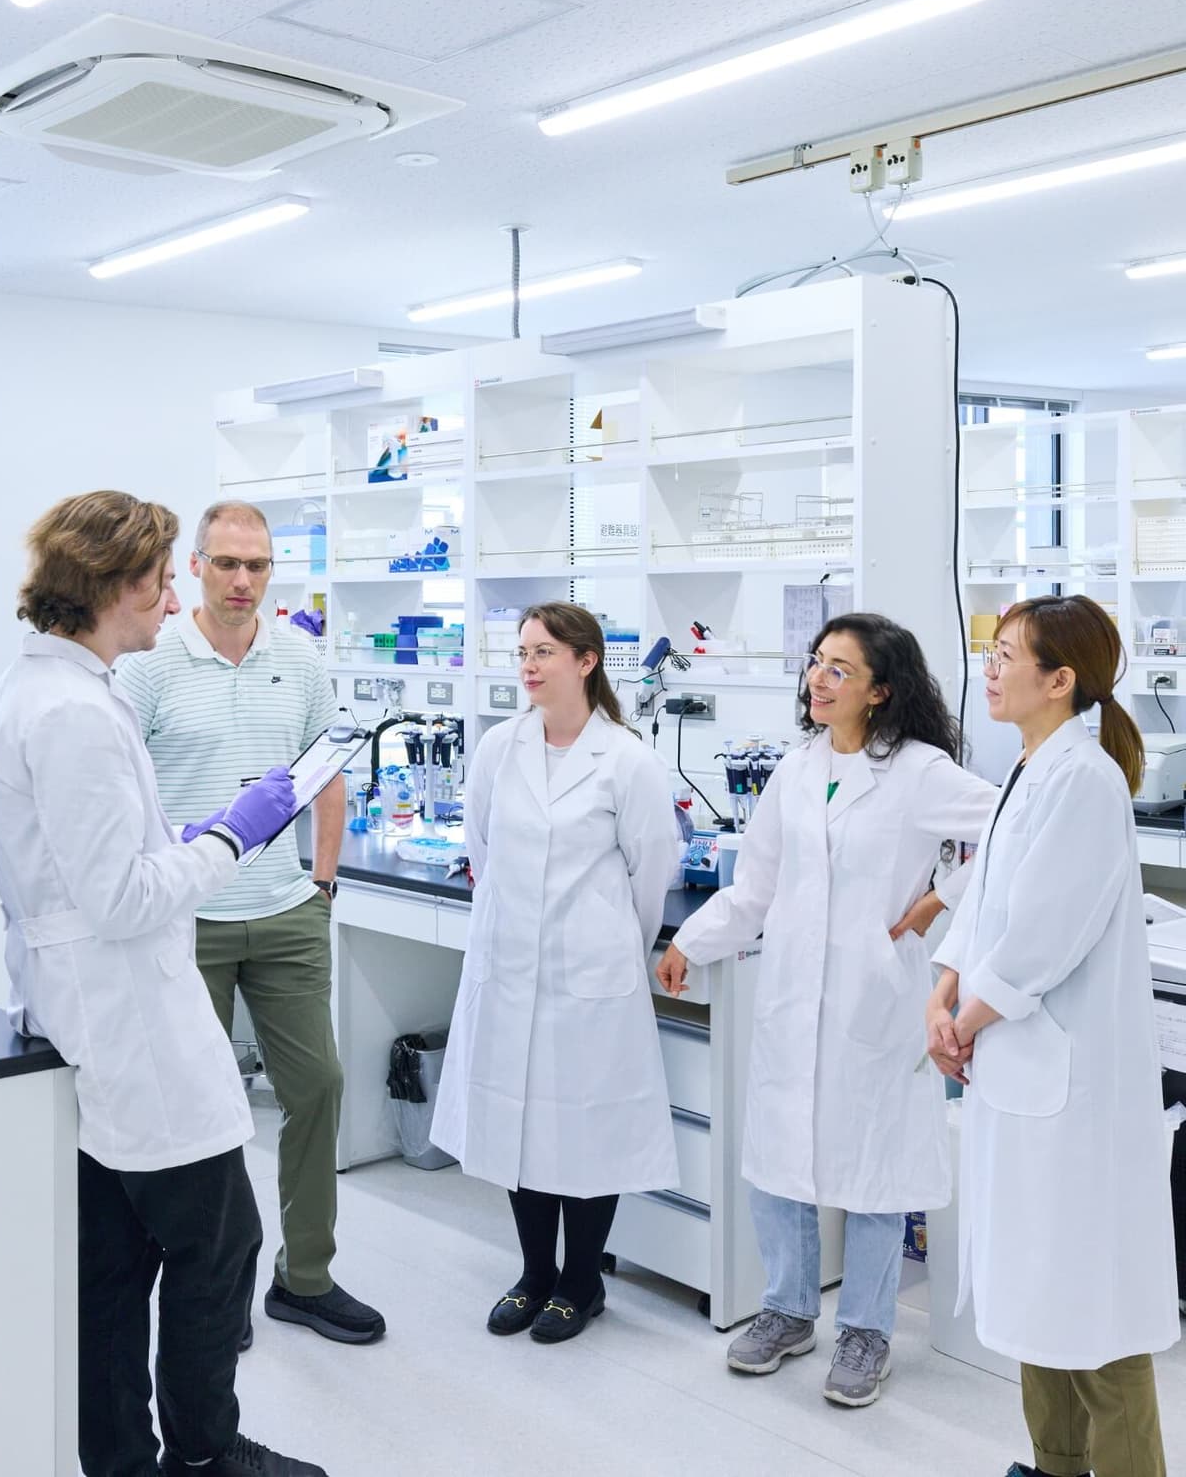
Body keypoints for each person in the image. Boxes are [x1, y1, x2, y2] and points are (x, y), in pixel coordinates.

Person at [0, 490, 327, 1477]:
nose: (175, 600)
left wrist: (173, 837)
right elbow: (122, 900)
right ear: (106, 587)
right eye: (161, 581)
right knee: (221, 1246)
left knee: (114, 1261)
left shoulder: (40, 688)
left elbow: (90, 862)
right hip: (130, 1019)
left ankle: (124, 1458)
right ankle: (205, 1456)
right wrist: (232, 835)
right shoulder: (75, 713)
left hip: (84, 1008)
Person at [656, 613, 998, 1407]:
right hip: (791, 993)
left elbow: (1014, 827)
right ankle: (787, 1310)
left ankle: (867, 1331)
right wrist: (692, 944)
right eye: (817, 662)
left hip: (874, 994)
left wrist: (937, 901)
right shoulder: (798, 768)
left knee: (875, 1170)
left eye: (840, 668)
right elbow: (756, 887)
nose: (818, 677)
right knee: (780, 1158)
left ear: (880, 691)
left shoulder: (919, 771)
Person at [118, 500, 383, 1350]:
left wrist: (323, 883)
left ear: (272, 571)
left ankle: (305, 1279)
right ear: (195, 566)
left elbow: (326, 772)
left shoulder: (299, 657)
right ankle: (213, 1288)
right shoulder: (149, 662)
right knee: (202, 1111)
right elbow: (122, 790)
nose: (242, 580)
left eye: (257, 566)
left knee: (319, 1087)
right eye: (226, 563)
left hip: (284, 911)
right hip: (185, 921)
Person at [927, 595, 1179, 1477]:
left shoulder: (1085, 779)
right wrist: (946, 985)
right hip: (1020, 1071)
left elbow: (1042, 932)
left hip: (1072, 1097)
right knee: (1040, 1294)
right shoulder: (1031, 768)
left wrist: (964, 1020)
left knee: (1096, 1311)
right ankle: (1054, 1464)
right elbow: (986, 901)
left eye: (1007, 656)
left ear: (1060, 679)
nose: (990, 669)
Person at [430, 601, 681, 1343]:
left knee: (586, 1128)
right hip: (509, 965)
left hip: (591, 976)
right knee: (520, 1121)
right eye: (523, 653)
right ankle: (535, 1273)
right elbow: (482, 848)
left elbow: (651, 876)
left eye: (543, 652)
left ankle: (582, 1282)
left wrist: (608, 945)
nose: (529, 666)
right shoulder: (499, 748)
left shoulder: (627, 760)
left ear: (586, 661)